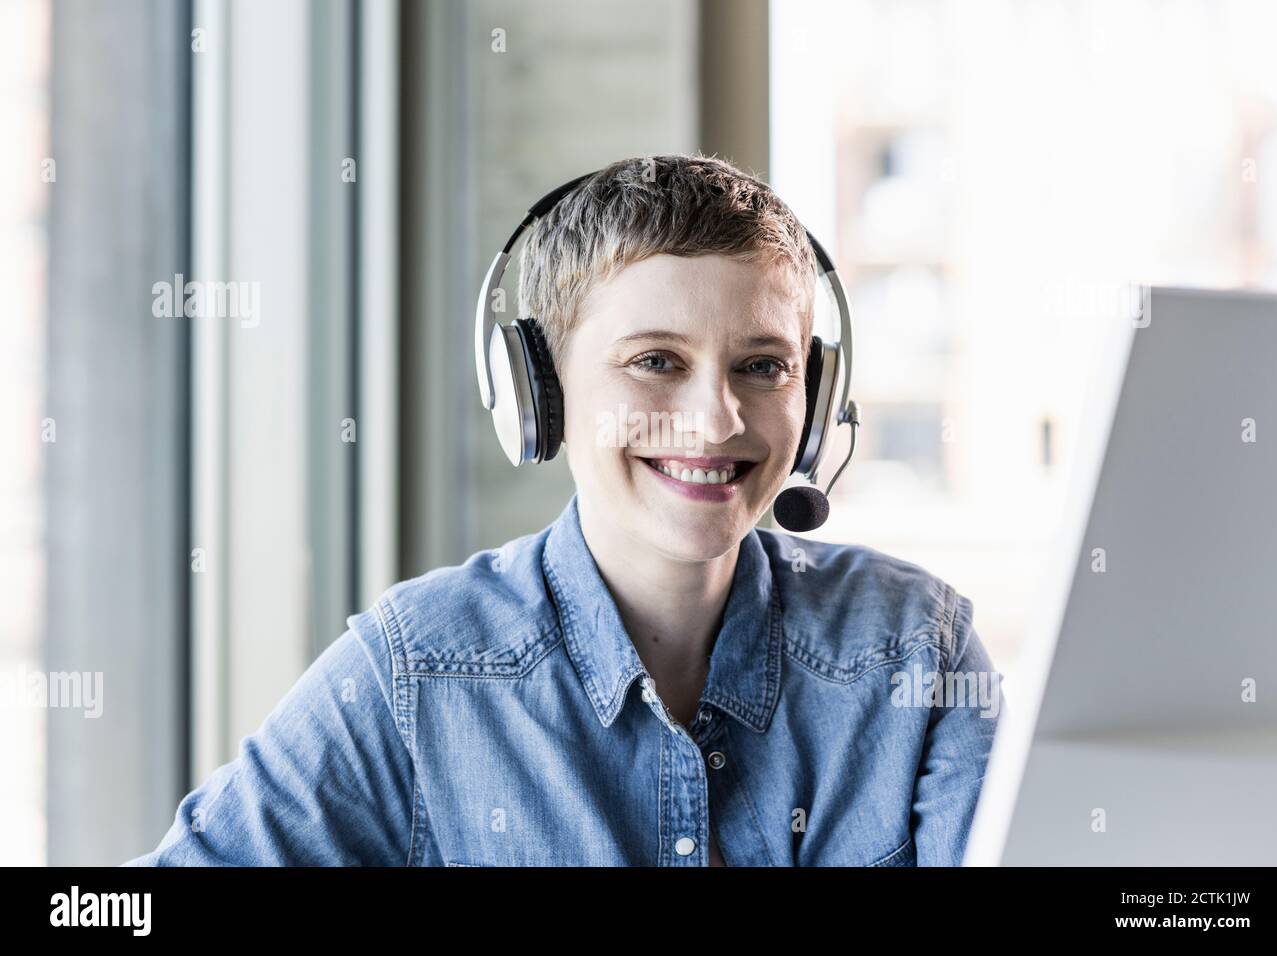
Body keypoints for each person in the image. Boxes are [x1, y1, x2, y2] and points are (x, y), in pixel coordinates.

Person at [124, 153, 1001, 867]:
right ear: (537, 394)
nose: (717, 419)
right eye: (656, 360)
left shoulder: (915, 649)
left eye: (762, 366)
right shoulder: (416, 671)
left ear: (815, 395)